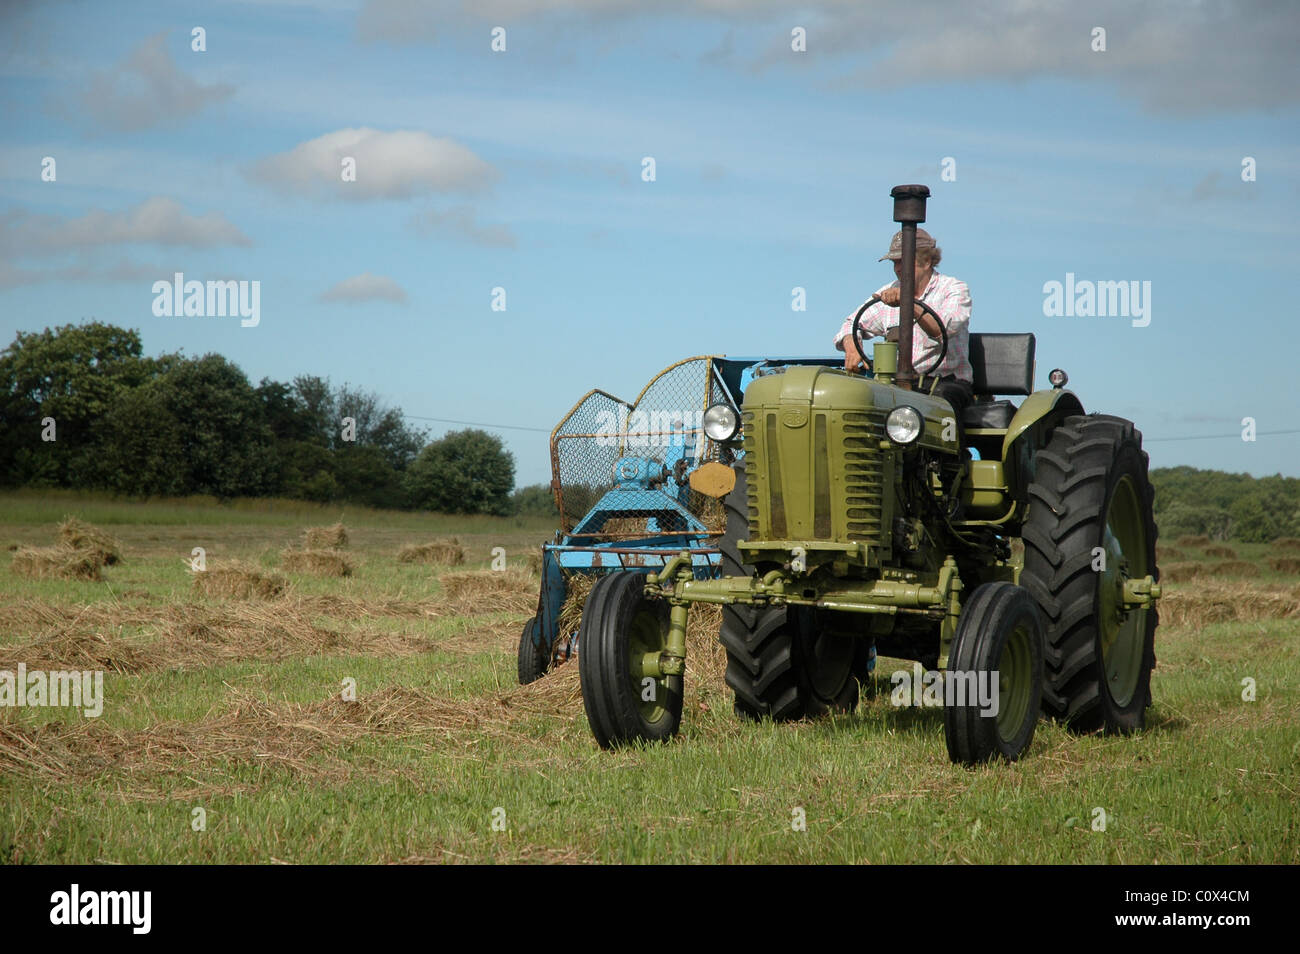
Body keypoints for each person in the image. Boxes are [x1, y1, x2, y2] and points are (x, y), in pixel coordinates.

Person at [833, 228, 974, 440]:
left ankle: (950, 467)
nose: (898, 269)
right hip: (899, 385)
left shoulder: (953, 289)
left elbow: (941, 330)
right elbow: (851, 323)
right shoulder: (889, 292)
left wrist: (908, 302)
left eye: (903, 261)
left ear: (927, 262)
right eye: (894, 263)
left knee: (941, 402)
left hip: (945, 383)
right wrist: (852, 345)